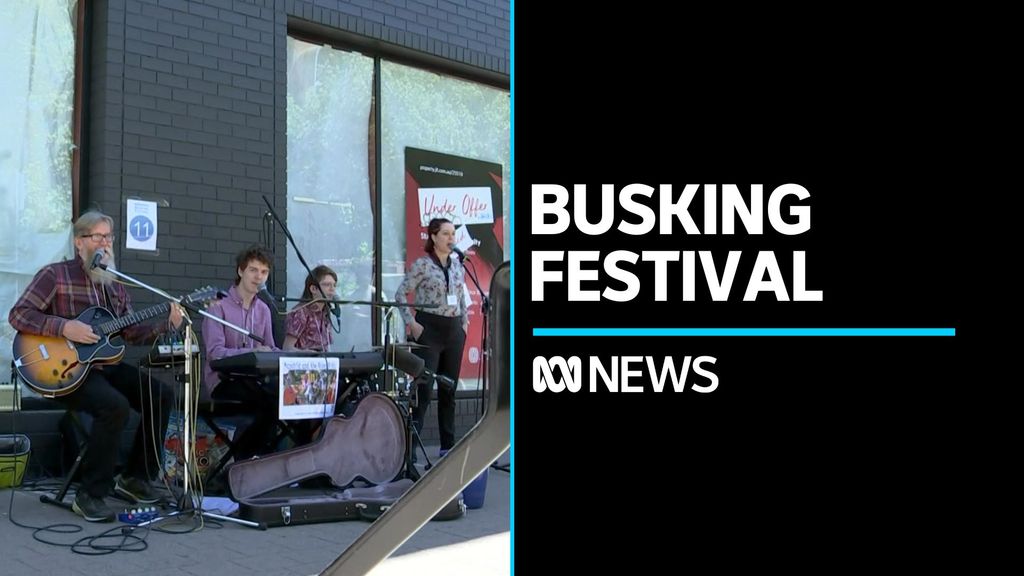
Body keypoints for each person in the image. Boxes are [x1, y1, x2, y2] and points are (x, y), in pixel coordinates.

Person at [8, 211, 182, 522]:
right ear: (79, 243)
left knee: (160, 394)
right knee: (113, 406)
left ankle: (135, 479)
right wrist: (63, 328)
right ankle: (90, 494)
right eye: (97, 237)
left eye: (108, 237)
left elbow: (129, 332)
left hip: (103, 365)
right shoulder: (55, 275)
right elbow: (19, 315)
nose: (105, 243)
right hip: (63, 371)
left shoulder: (114, 285)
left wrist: (165, 325)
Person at [394, 218, 469, 453]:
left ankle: (448, 446)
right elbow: (400, 294)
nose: (451, 238)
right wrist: (412, 324)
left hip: (453, 330)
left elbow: (461, 296)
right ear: (434, 237)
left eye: (453, 234)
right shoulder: (423, 265)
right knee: (424, 391)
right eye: (445, 234)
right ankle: (411, 449)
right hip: (430, 329)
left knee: (449, 390)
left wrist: (464, 322)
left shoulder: (458, 266)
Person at [202, 245, 279, 459]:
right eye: (253, 270)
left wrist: (297, 353)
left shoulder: (263, 309)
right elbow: (215, 353)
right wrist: (251, 354)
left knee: (284, 399)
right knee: (268, 403)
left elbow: (270, 347)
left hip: (254, 381)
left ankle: (258, 461)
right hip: (223, 382)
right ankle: (243, 462)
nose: (259, 277)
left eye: (264, 272)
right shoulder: (218, 305)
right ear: (240, 271)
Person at [283, 265, 338, 352]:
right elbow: (287, 348)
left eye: (334, 285)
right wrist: (305, 354)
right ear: (313, 289)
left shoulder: (326, 313)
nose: (332, 289)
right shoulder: (301, 312)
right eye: (327, 285)